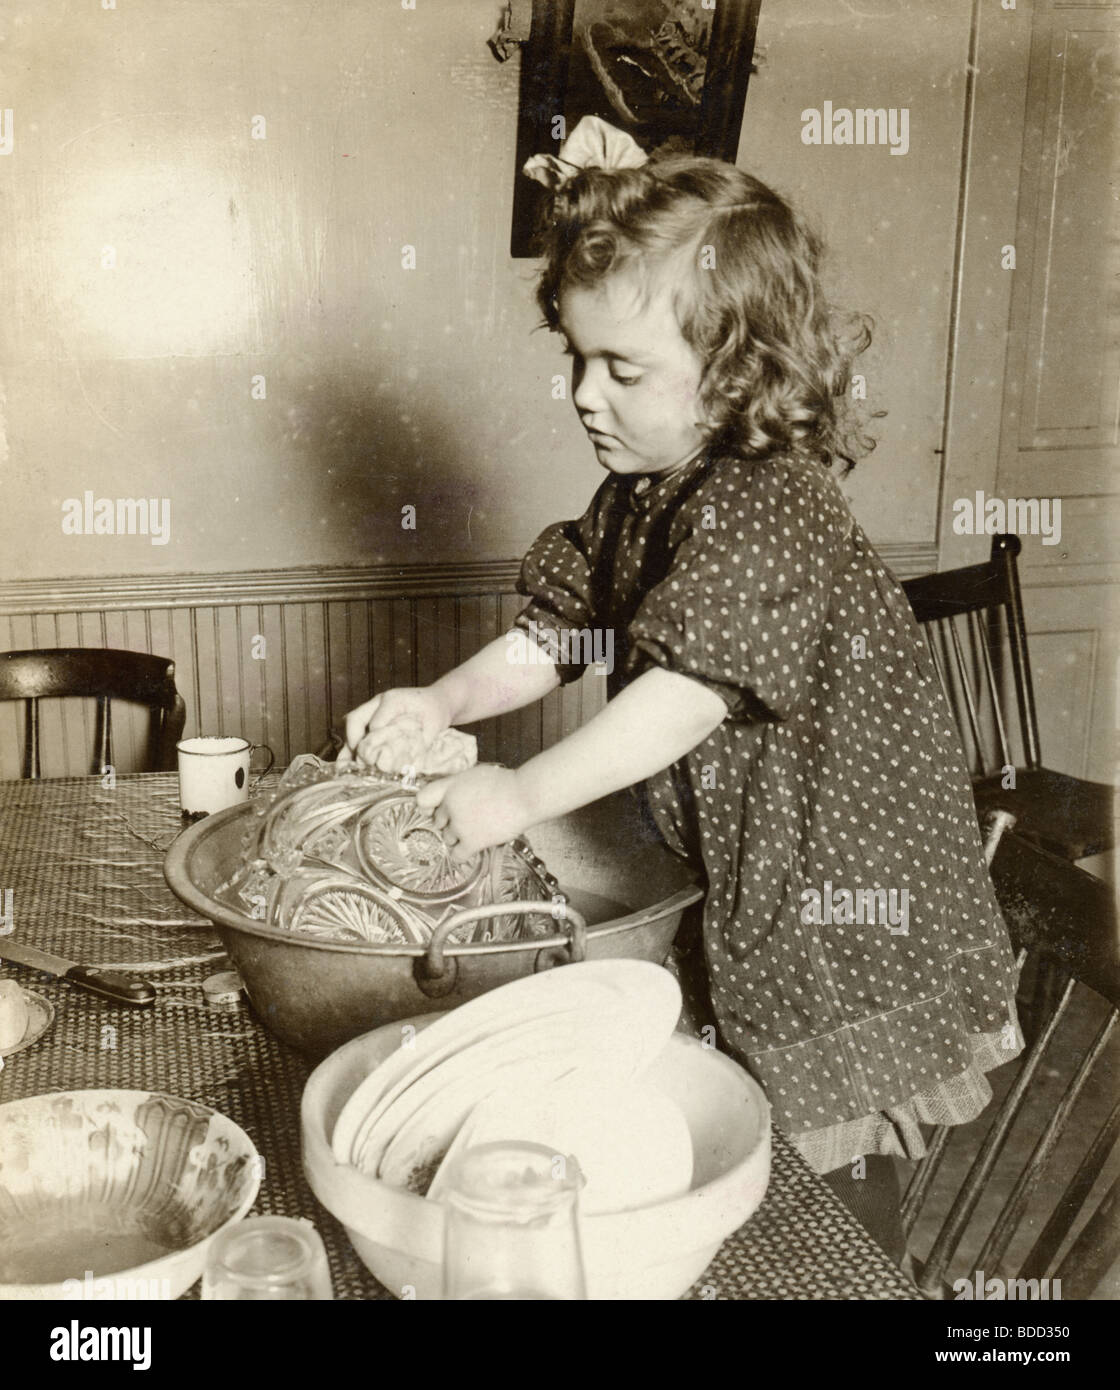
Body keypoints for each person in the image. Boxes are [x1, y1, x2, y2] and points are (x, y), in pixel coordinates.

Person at [343, 117, 1023, 1265]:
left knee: (825, 1187)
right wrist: (444, 700)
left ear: (736, 371)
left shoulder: (767, 506)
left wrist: (514, 794)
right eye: (572, 357)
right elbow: (560, 630)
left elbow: (681, 700)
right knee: (739, 1155)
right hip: (759, 874)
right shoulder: (646, 491)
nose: (580, 394)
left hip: (842, 910)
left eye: (620, 367)